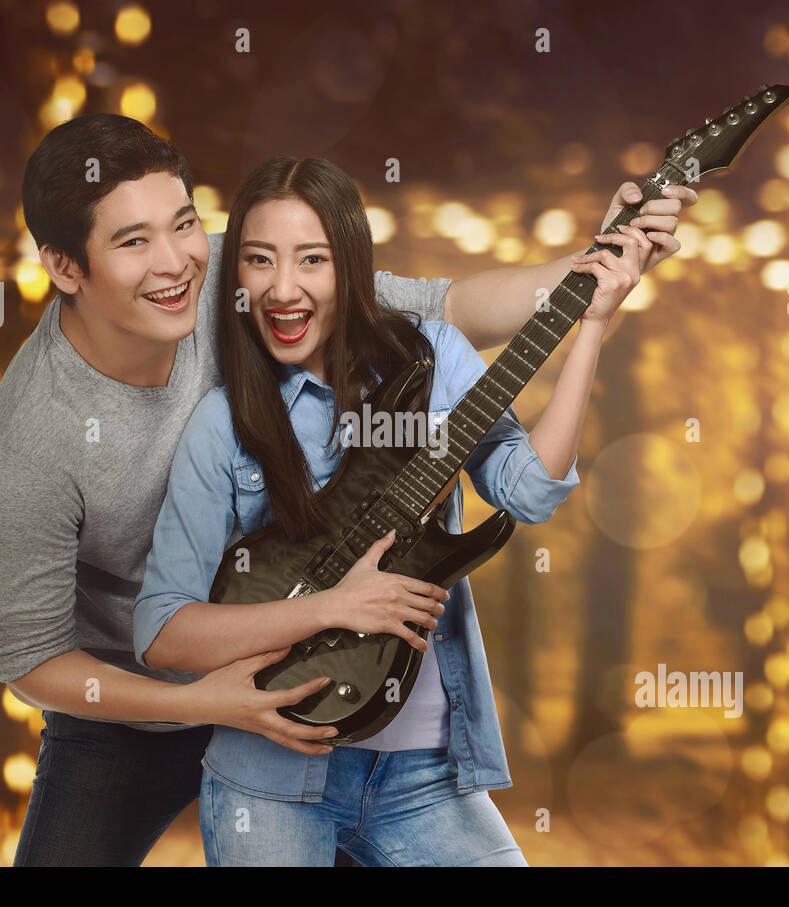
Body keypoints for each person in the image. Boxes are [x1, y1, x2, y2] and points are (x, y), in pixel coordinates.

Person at [0, 113, 693, 866]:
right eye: (132, 241)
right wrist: (200, 701)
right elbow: (31, 657)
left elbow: (439, 311)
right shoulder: (31, 439)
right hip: (129, 704)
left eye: (183, 223)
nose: (175, 262)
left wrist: (599, 261)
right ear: (64, 267)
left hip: (326, 683)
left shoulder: (241, 272)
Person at [132, 156, 654, 866]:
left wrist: (589, 327)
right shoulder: (223, 424)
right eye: (259, 261)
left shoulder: (433, 358)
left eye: (311, 259)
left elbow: (528, 490)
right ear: (237, 281)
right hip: (273, 778)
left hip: (426, 774)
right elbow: (163, 632)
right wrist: (333, 607)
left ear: (350, 268)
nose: (283, 288)